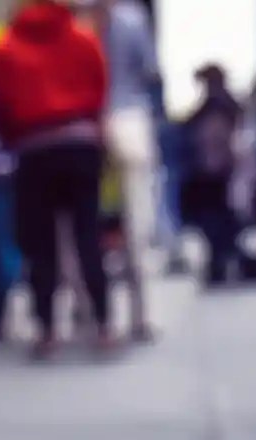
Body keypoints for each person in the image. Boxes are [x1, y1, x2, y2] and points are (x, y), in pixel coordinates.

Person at [0, 0, 112, 358]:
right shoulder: (82, 39)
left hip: (33, 149)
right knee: (88, 236)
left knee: (40, 245)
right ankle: (102, 324)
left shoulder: (6, 47)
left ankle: (47, 330)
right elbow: (100, 88)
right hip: (80, 143)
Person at [99, 0, 159, 341]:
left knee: (87, 222)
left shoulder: (81, 17)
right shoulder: (133, 18)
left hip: (91, 120)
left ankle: (95, 315)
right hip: (131, 118)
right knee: (137, 219)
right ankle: (141, 315)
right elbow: (148, 69)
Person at [179, 63, 242, 286]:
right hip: (219, 169)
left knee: (212, 220)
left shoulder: (214, 106)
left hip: (212, 170)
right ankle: (222, 263)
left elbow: (211, 140)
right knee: (219, 219)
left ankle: (218, 265)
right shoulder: (226, 105)